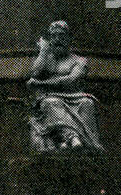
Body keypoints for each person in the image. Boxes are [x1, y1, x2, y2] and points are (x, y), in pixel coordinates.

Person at [27, 21, 103, 152]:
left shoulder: (79, 61)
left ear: (69, 39)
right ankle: (72, 137)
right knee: (50, 103)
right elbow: (34, 73)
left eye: (62, 36)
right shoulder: (47, 59)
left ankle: (84, 142)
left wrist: (41, 83)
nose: (57, 40)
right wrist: (43, 51)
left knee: (87, 103)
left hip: (75, 97)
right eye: (54, 36)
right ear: (49, 39)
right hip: (51, 97)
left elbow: (71, 80)